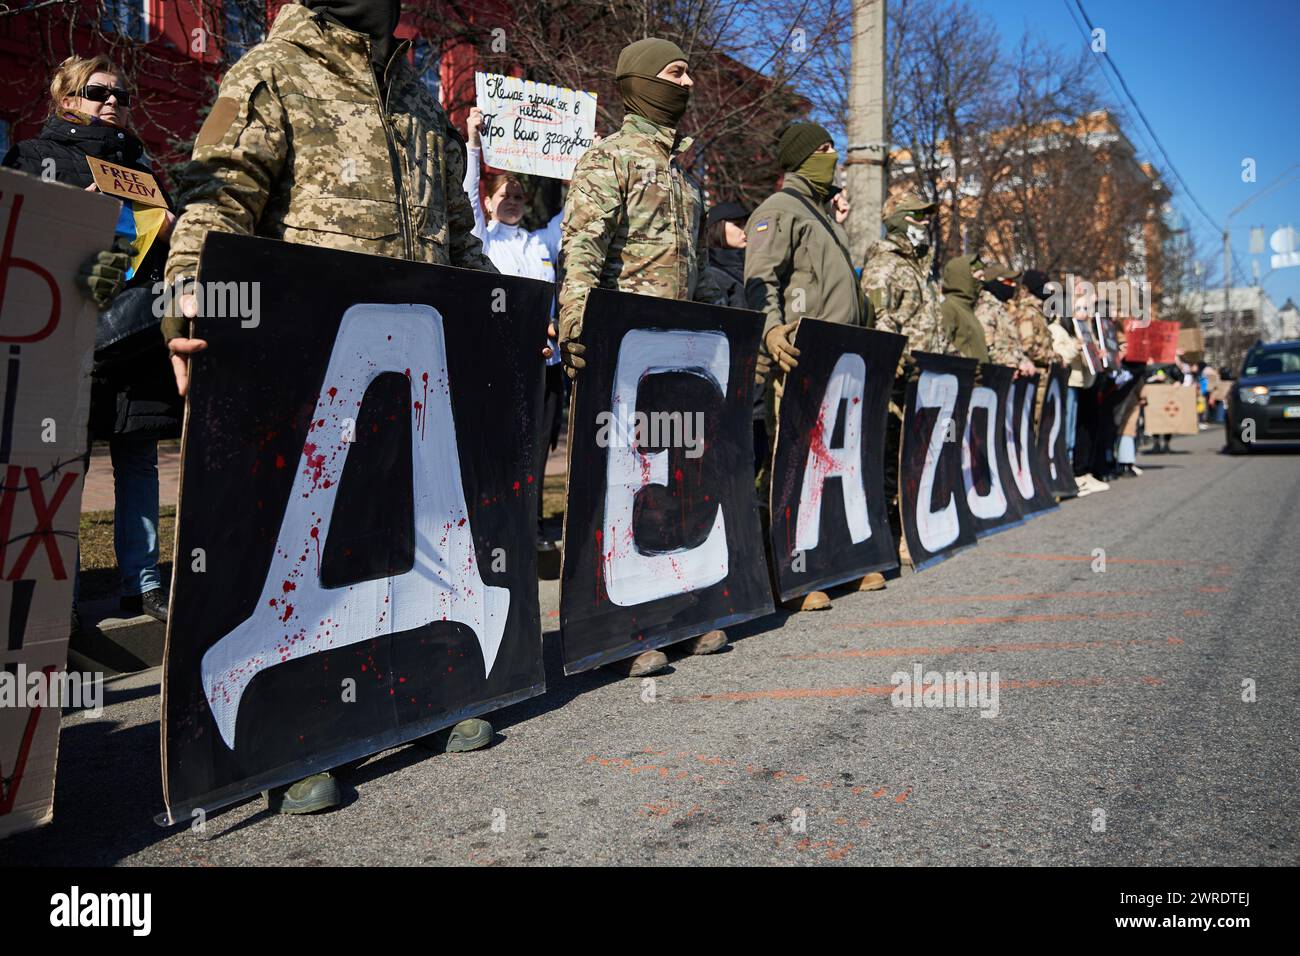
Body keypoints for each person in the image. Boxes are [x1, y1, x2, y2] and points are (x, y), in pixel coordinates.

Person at [161, 0, 522, 815]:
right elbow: (214, 196)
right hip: (306, 356)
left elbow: (456, 232)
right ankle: (295, 734)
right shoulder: (265, 72)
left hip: (414, 353)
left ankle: (424, 691)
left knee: (404, 530)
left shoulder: (419, 95)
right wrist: (189, 299)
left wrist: (492, 317)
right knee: (303, 544)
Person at [557, 36, 728, 678]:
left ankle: (673, 610)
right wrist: (578, 330)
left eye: (689, 73)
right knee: (620, 486)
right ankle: (621, 627)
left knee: (673, 484)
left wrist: (736, 316)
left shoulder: (686, 177)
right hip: (625, 361)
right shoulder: (608, 160)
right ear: (638, 82)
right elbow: (582, 256)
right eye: (675, 73)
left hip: (681, 361)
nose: (687, 84)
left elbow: (699, 269)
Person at [4, 54, 180, 626]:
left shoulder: (142, 168)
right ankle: (62, 593)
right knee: (63, 464)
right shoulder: (32, 156)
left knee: (139, 462)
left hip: (135, 333)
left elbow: (163, 258)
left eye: (121, 95)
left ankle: (143, 584)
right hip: (65, 332)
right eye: (96, 90)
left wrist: (170, 231)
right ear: (65, 99)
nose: (112, 101)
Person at [744, 121, 876, 608]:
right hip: (799, 355)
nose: (833, 154)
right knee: (794, 461)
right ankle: (786, 572)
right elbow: (761, 277)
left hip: (841, 358)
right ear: (800, 157)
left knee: (836, 461)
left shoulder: (822, 217)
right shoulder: (780, 209)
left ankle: (834, 559)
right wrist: (771, 330)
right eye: (822, 148)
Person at [463, 105, 565, 576]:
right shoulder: (483, 239)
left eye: (520, 196)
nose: (513, 201)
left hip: (544, 366)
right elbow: (466, 194)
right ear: (487, 203)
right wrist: (475, 144)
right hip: (498, 366)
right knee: (498, 448)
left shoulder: (537, 244)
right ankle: (490, 528)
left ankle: (528, 527)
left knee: (537, 447)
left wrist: (579, 167)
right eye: (505, 195)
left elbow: (569, 220)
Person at [860, 192, 950, 567]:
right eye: (916, 217)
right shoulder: (886, 264)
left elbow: (934, 322)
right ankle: (891, 537)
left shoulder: (923, 268)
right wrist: (897, 361)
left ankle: (915, 531)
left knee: (916, 457)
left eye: (927, 217)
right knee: (891, 459)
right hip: (900, 380)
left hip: (927, 378)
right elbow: (880, 318)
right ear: (898, 219)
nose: (924, 224)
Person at [976, 264, 1037, 378]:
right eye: (1008, 282)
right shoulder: (985, 309)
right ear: (993, 282)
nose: (1013, 285)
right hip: (991, 378)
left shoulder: (1003, 309)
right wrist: (1009, 364)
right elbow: (987, 346)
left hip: (1007, 377)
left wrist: (1023, 361)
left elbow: (1012, 345)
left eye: (1014, 282)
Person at [939, 254, 990, 363]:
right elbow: (941, 347)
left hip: (976, 378)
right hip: (961, 377)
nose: (983, 281)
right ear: (965, 277)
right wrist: (968, 366)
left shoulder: (968, 309)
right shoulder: (948, 307)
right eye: (979, 277)